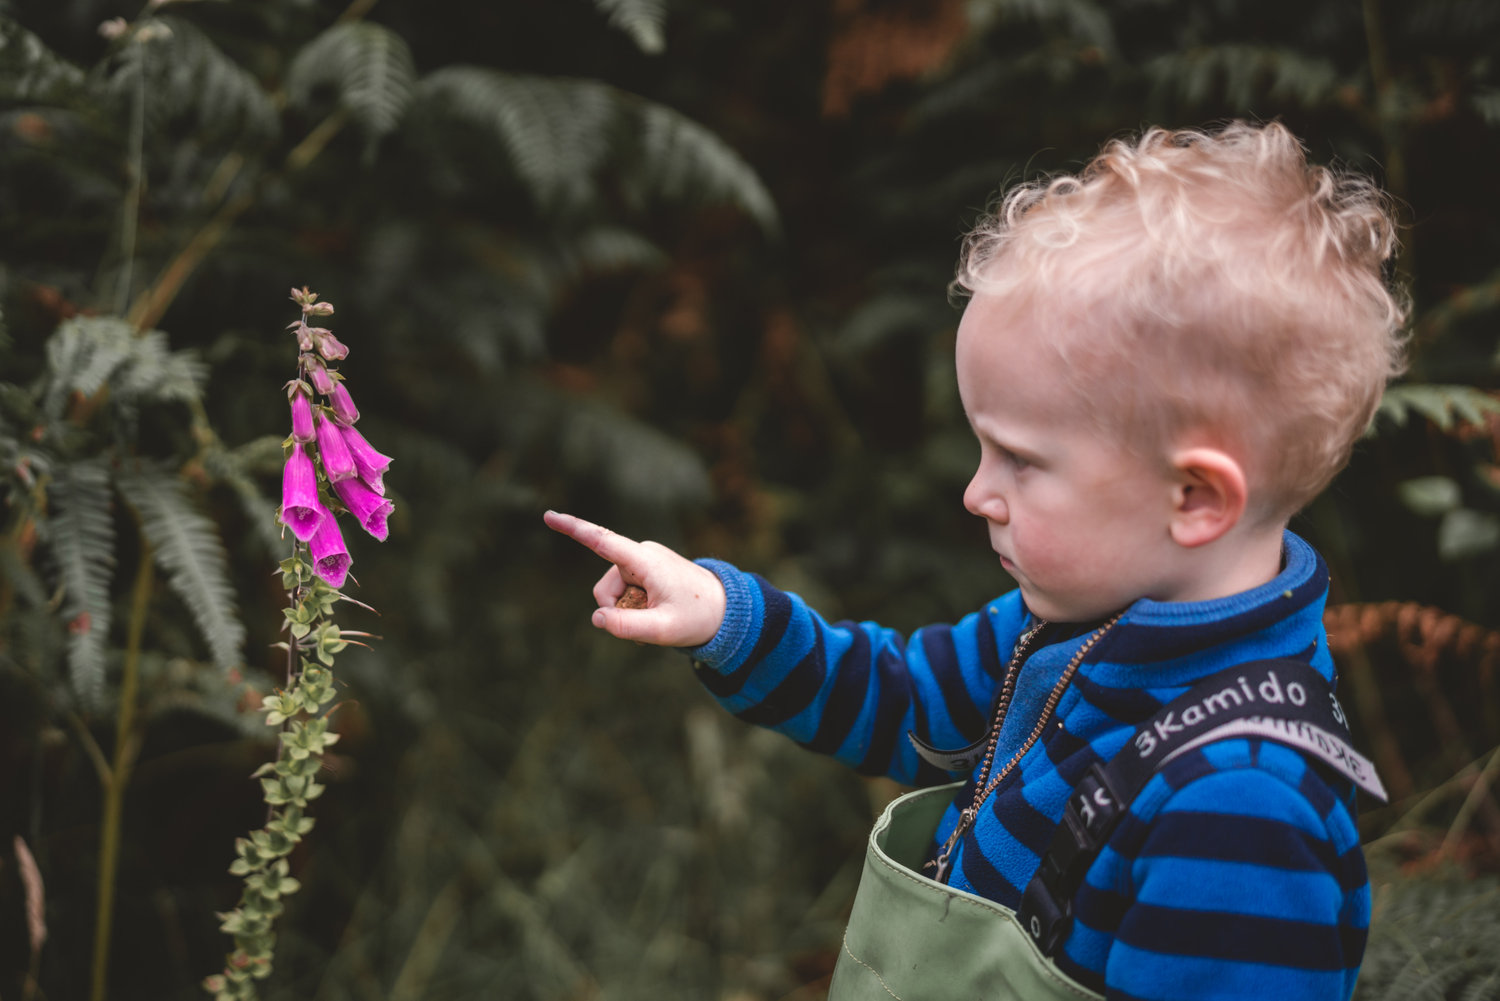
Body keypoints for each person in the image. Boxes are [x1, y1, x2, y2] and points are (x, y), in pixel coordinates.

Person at [544, 120, 1406, 1000]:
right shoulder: (1066, 629)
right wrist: (728, 618)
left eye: (1021, 461)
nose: (976, 493)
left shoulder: (1237, 815)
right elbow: (902, 700)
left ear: (1194, 498)